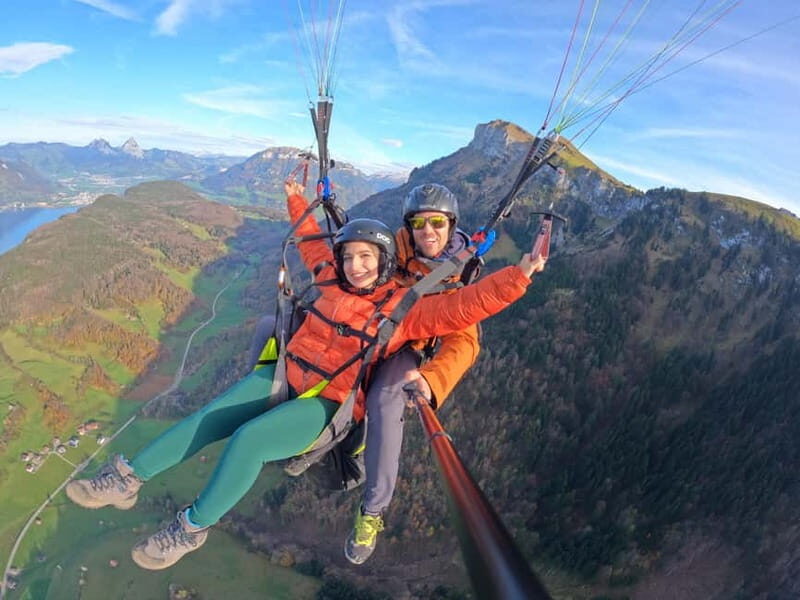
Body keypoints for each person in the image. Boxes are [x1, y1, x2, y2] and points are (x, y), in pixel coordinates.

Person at [65, 181, 546, 571]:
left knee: (249, 441)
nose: (355, 266)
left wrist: (520, 275)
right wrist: (297, 193)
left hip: (325, 404)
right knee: (212, 414)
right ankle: (126, 478)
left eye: (366, 259)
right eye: (349, 257)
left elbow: (465, 306)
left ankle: (190, 528)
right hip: (285, 377)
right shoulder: (329, 278)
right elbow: (313, 240)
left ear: (384, 263)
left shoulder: (406, 311)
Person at [344, 183, 483, 565]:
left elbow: (464, 342)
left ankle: (371, 511)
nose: (428, 231)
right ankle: (339, 434)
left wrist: (432, 378)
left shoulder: (457, 277)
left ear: (451, 224)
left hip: (408, 346)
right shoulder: (393, 247)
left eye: (437, 222)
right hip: (369, 328)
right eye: (419, 222)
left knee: (387, 399)